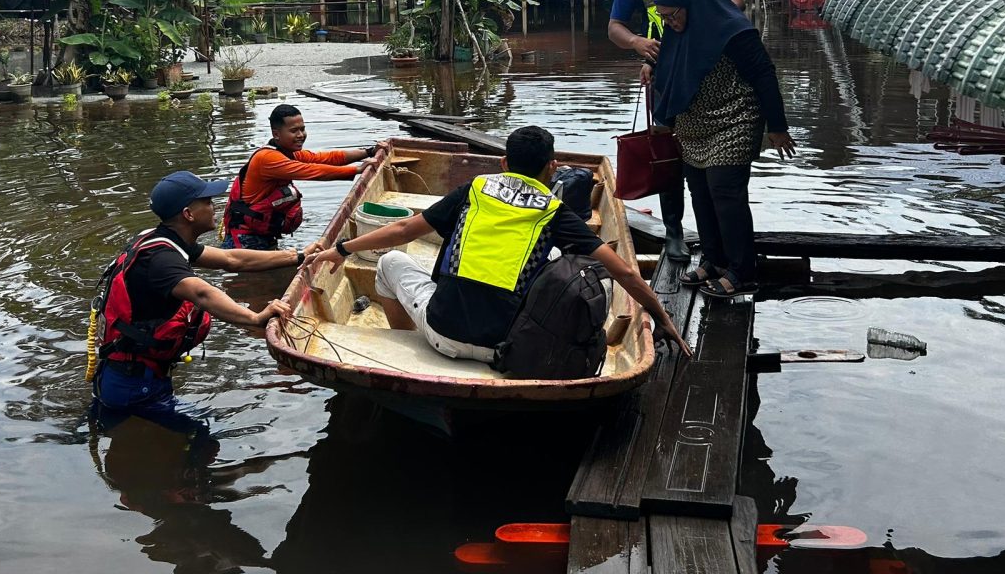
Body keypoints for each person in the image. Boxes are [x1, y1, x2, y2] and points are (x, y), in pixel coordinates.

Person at [307, 125, 691, 364]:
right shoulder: (554, 211)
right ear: (552, 167)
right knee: (562, 258)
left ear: (504, 163)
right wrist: (662, 318)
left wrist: (340, 250)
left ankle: (410, 348)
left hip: (443, 334)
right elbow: (622, 270)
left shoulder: (475, 188)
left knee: (390, 263)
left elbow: (405, 230)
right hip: (507, 346)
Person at [93, 171, 297, 426]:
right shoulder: (161, 260)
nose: (215, 207)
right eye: (208, 203)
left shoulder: (164, 239)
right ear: (188, 215)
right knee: (204, 436)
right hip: (134, 386)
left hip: (128, 376)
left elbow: (232, 259)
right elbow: (201, 293)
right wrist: (255, 318)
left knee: (111, 426)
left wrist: (296, 256)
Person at [607, 0, 745, 262]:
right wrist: (638, 43)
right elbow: (615, 27)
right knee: (669, 154)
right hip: (664, 76)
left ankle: (718, 238)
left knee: (712, 155)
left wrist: (696, 31)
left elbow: (735, 0)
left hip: (710, 73)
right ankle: (673, 233)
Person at [650, 0, 795, 298]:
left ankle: (743, 272)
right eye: (664, 18)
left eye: (674, 15)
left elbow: (764, 74)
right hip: (693, 126)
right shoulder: (679, 33)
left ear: (691, 6)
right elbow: (673, 71)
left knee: (725, 192)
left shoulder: (733, 30)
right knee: (700, 192)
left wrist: (777, 126)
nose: (671, 23)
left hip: (734, 119)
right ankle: (714, 260)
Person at [222, 104, 380, 250]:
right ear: (276, 134)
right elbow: (311, 171)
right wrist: (357, 170)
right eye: (294, 131)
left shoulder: (288, 153)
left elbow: (326, 158)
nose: (301, 135)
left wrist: (369, 152)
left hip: (261, 233)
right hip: (244, 238)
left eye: (302, 129)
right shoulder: (267, 159)